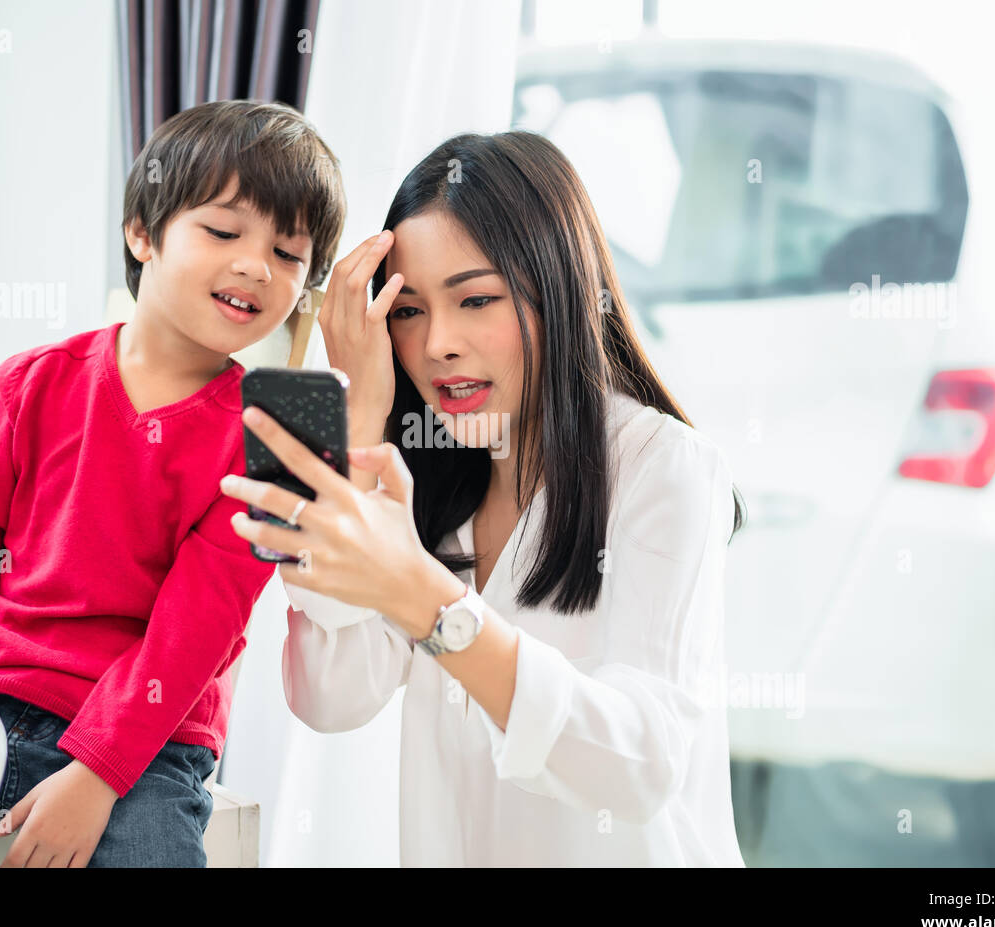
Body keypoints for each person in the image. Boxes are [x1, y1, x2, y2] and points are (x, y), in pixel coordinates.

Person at [0, 100, 347, 867]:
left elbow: (195, 631)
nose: (257, 266)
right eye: (224, 232)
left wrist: (95, 772)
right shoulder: (29, 383)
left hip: (147, 752)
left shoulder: (274, 433)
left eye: (289, 254)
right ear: (142, 232)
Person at [222, 130, 748, 865]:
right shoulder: (434, 480)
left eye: (476, 299)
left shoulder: (664, 467)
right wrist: (364, 421)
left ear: (560, 288)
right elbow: (329, 695)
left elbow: (638, 762)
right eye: (408, 311)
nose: (438, 343)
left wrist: (432, 603)